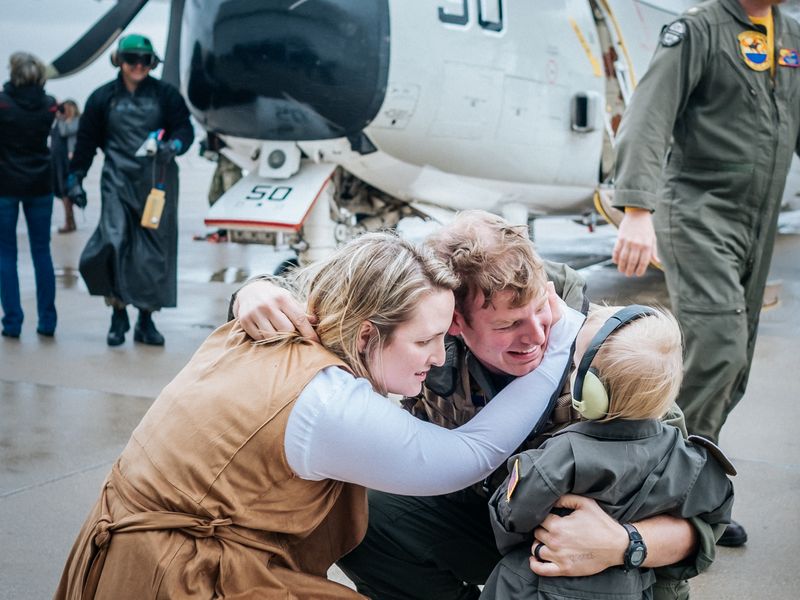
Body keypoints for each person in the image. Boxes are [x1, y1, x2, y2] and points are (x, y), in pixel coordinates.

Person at [54, 232, 583, 599]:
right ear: (367, 334)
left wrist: (254, 288)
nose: (440, 358)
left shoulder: (274, 332)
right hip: (177, 579)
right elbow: (467, 455)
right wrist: (562, 341)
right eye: (425, 341)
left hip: (121, 560)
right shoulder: (327, 402)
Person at [232, 210, 720, 600]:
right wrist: (255, 291)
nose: (536, 337)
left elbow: (702, 522)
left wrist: (622, 544)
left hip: (603, 565)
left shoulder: (608, 354)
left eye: (541, 311)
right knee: (361, 511)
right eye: (507, 326)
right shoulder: (429, 329)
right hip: (503, 525)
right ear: (455, 323)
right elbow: (329, 301)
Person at [610, 0, 800, 547]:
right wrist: (637, 209)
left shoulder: (790, 35)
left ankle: (690, 496)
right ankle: (646, 492)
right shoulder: (698, 30)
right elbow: (649, 114)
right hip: (697, 211)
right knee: (718, 345)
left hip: (757, 220)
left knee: (732, 367)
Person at [482, 305, 735, 600]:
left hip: (545, 587)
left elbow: (511, 516)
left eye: (576, 365)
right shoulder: (688, 458)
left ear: (589, 391)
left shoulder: (563, 453)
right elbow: (718, 508)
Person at [66, 34, 194, 347]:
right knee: (114, 243)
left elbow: (185, 128)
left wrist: (175, 144)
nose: (138, 66)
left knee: (153, 252)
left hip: (157, 182)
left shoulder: (166, 95)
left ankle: (146, 320)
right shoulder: (102, 98)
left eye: (145, 60)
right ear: (119, 61)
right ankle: (118, 313)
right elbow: (86, 142)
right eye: (131, 59)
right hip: (117, 181)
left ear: (152, 62)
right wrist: (76, 177)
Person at [0, 52, 58, 338]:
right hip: (40, 184)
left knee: (6, 254)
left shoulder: (3, 103)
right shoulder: (49, 105)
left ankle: (12, 322)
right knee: (41, 252)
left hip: (5, 185)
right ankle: (47, 321)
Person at [195, 131, 242, 242]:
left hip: (233, 161)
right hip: (223, 159)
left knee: (232, 198)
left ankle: (236, 229)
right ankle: (223, 228)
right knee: (214, 195)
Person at [50, 99, 80, 233]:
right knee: (61, 190)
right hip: (57, 160)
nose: (63, 111)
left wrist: (60, 118)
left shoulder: (75, 121)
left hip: (67, 161)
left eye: (65, 108)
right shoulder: (59, 122)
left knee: (66, 190)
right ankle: (70, 221)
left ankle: (69, 222)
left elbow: (64, 132)